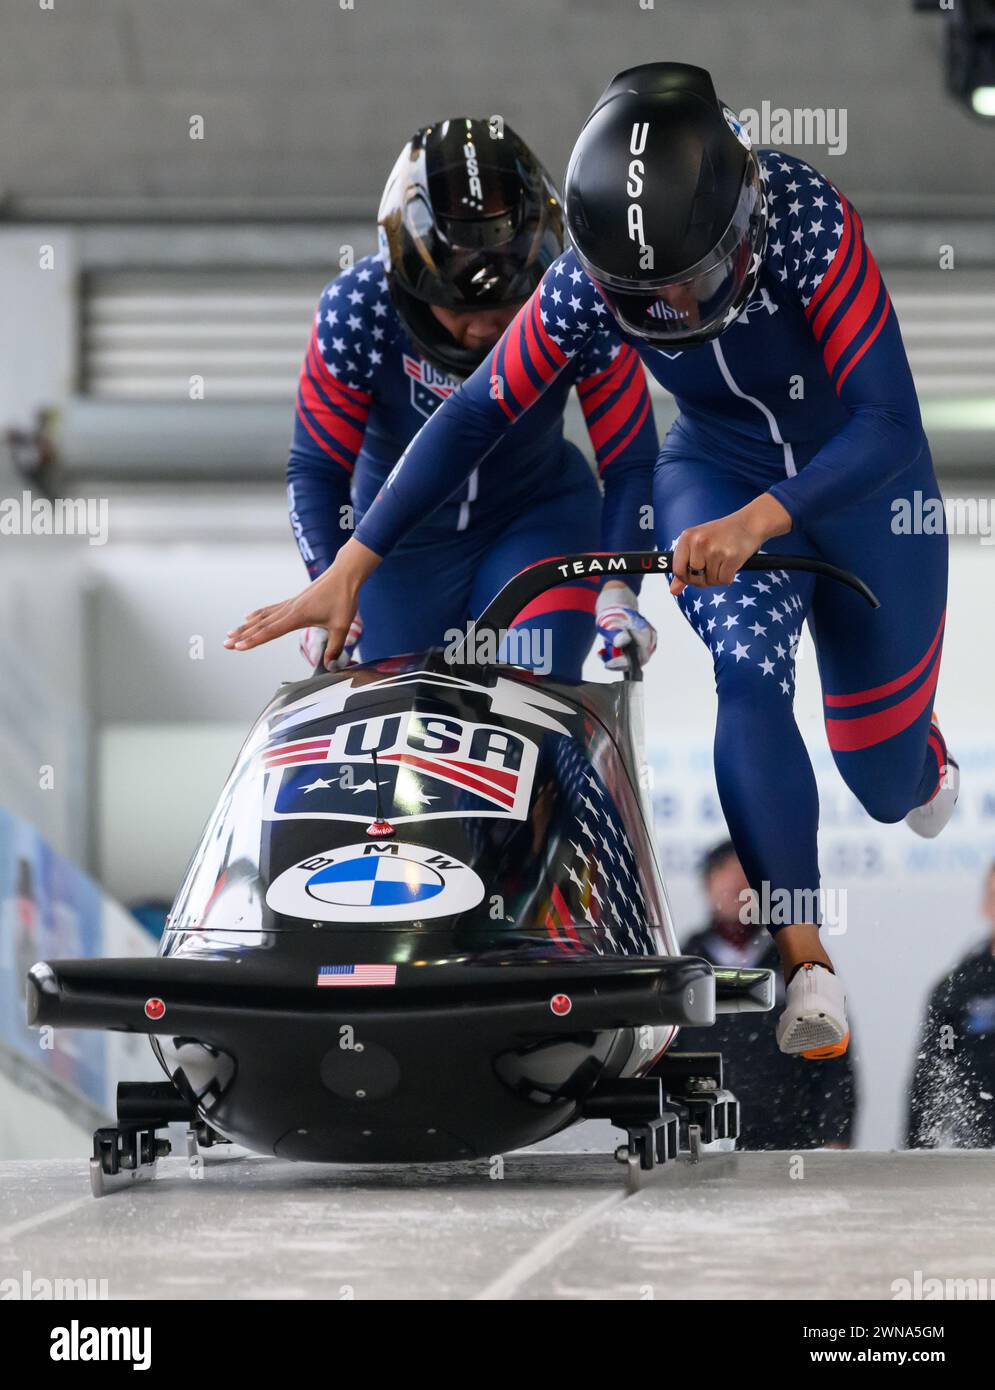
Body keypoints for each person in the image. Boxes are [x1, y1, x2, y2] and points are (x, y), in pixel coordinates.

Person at [227, 64, 959, 1058]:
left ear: (738, 232)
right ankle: (803, 963)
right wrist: (355, 556)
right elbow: (478, 409)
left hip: (863, 490)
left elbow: (883, 420)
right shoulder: (578, 286)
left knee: (882, 782)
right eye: (635, 296)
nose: (660, 310)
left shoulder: (809, 224)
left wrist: (755, 521)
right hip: (714, 467)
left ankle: (922, 758)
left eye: (685, 285)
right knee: (747, 669)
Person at [282, 116, 660, 681]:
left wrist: (617, 589)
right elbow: (316, 468)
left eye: (509, 308)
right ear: (410, 285)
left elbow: (631, 461)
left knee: (532, 691)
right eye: (461, 310)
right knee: (408, 726)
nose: (487, 331)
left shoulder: (581, 300)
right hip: (400, 551)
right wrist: (330, 575)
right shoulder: (355, 311)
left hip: (537, 523)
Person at [675, 841, 856, 1148]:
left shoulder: (799, 960)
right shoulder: (680, 967)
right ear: (707, 886)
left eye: (747, 874)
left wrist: (835, 1136)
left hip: (794, 1146)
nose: (736, 884)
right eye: (724, 873)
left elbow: (835, 1059)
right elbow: (659, 1057)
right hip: (699, 1147)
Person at [906, 861, 995, 1149]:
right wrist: (917, 1150)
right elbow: (933, 1067)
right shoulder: (956, 989)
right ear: (985, 906)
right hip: (979, 1149)